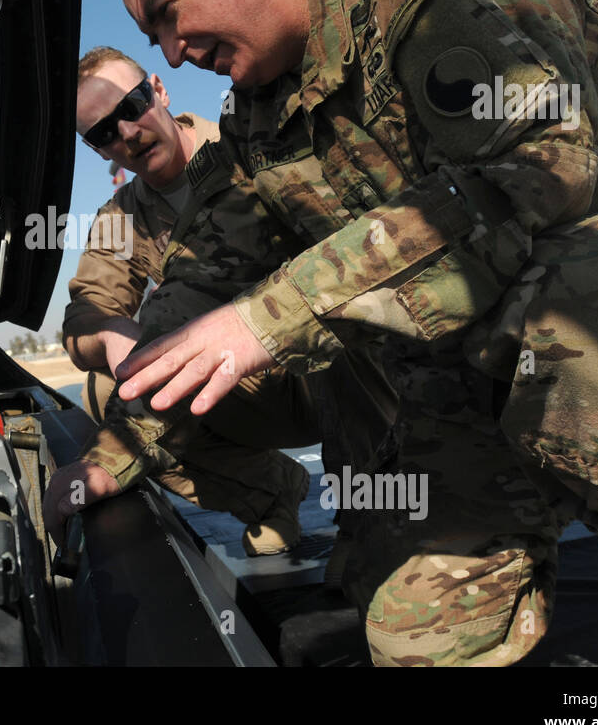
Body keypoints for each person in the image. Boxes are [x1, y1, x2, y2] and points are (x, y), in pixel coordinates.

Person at [106, 0, 598, 667]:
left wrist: (270, 316)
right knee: (415, 638)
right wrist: (111, 451)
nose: (171, 53)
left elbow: (538, 163)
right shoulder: (258, 121)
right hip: (479, 366)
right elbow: (203, 278)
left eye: (167, 11)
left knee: (572, 293)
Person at [45, 45, 398, 563]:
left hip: (330, 367)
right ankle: (272, 492)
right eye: (102, 133)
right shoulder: (123, 216)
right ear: (97, 149)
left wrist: (109, 458)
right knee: (109, 384)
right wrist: (111, 334)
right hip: (244, 395)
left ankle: (382, 518)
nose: (126, 133)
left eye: (132, 106)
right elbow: (83, 315)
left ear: (159, 91)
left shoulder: (244, 147)